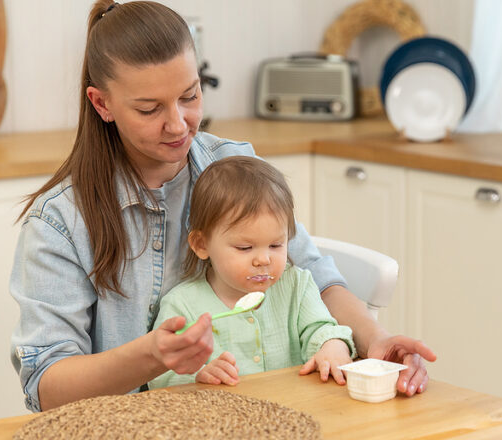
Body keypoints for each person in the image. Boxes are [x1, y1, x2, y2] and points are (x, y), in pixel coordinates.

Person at [10, 0, 436, 413]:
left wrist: (374, 338)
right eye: (149, 109)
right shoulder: (60, 221)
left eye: (190, 96)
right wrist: (151, 356)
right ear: (102, 103)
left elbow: (314, 276)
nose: (178, 124)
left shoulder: (234, 165)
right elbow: (46, 386)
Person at [149, 156, 355, 389]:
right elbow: (161, 376)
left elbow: (320, 329)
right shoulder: (182, 305)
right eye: (245, 248)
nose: (264, 260)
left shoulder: (297, 284)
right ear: (201, 244)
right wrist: (199, 375)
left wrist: (332, 345)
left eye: (276, 245)